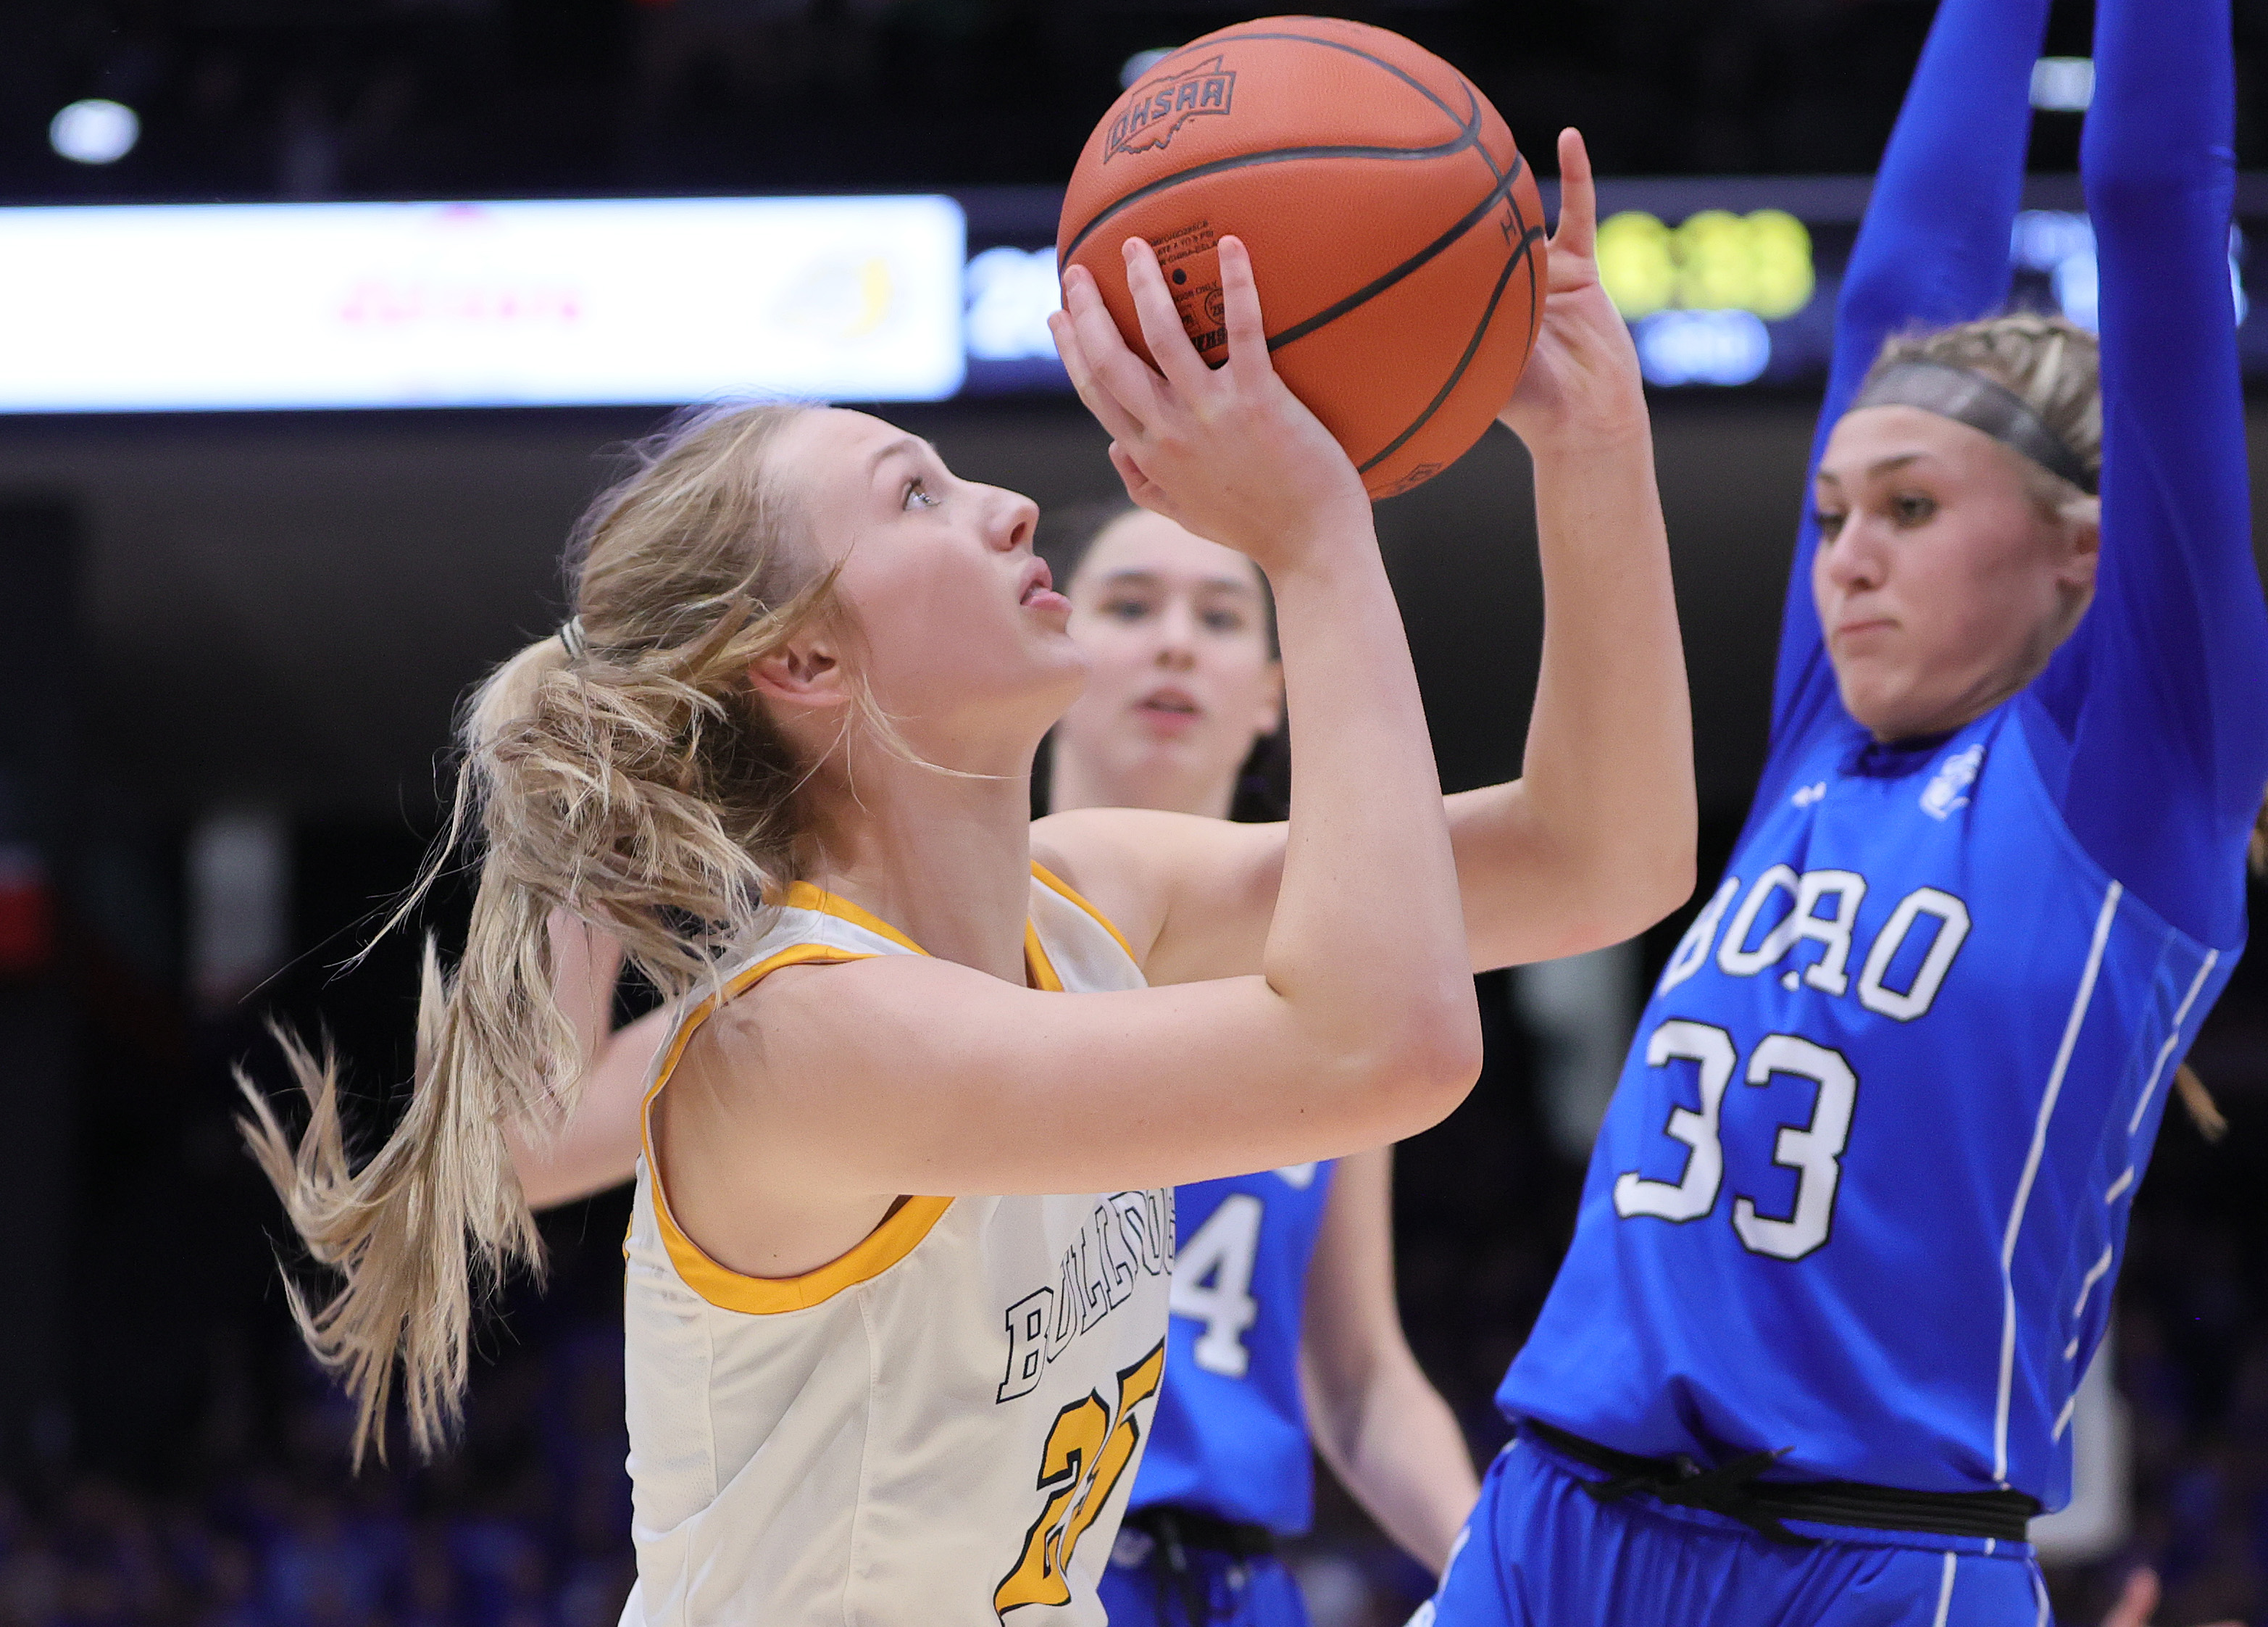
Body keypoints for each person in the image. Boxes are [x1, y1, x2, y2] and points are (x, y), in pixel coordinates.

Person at [249, 128, 1688, 1627]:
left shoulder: (1097, 895)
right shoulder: (791, 1040)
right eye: (915, 496)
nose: (1006, 502)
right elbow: (1390, 1043)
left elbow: (1602, 861)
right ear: (802, 658)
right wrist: (1316, 543)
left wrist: (1590, 443)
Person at [1421, 0, 2268, 1620]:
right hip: (1554, 1520)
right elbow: (1900, 295)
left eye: (1907, 507)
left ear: (2079, 556)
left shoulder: (2137, 781)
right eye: (1831, 513)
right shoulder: (1825, 734)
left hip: (1879, 1557)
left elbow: (2157, 202)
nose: (1849, 555)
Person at [1038, 504, 1480, 1626]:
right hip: (1003, 1568)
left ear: (1273, 696)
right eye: (1130, 606)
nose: (1176, 640)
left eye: (1221, 615)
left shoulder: (1337, 989)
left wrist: (1492, 1574)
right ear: (1050, 653)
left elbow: (1360, 1379)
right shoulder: (944, 936)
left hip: (1235, 1589)